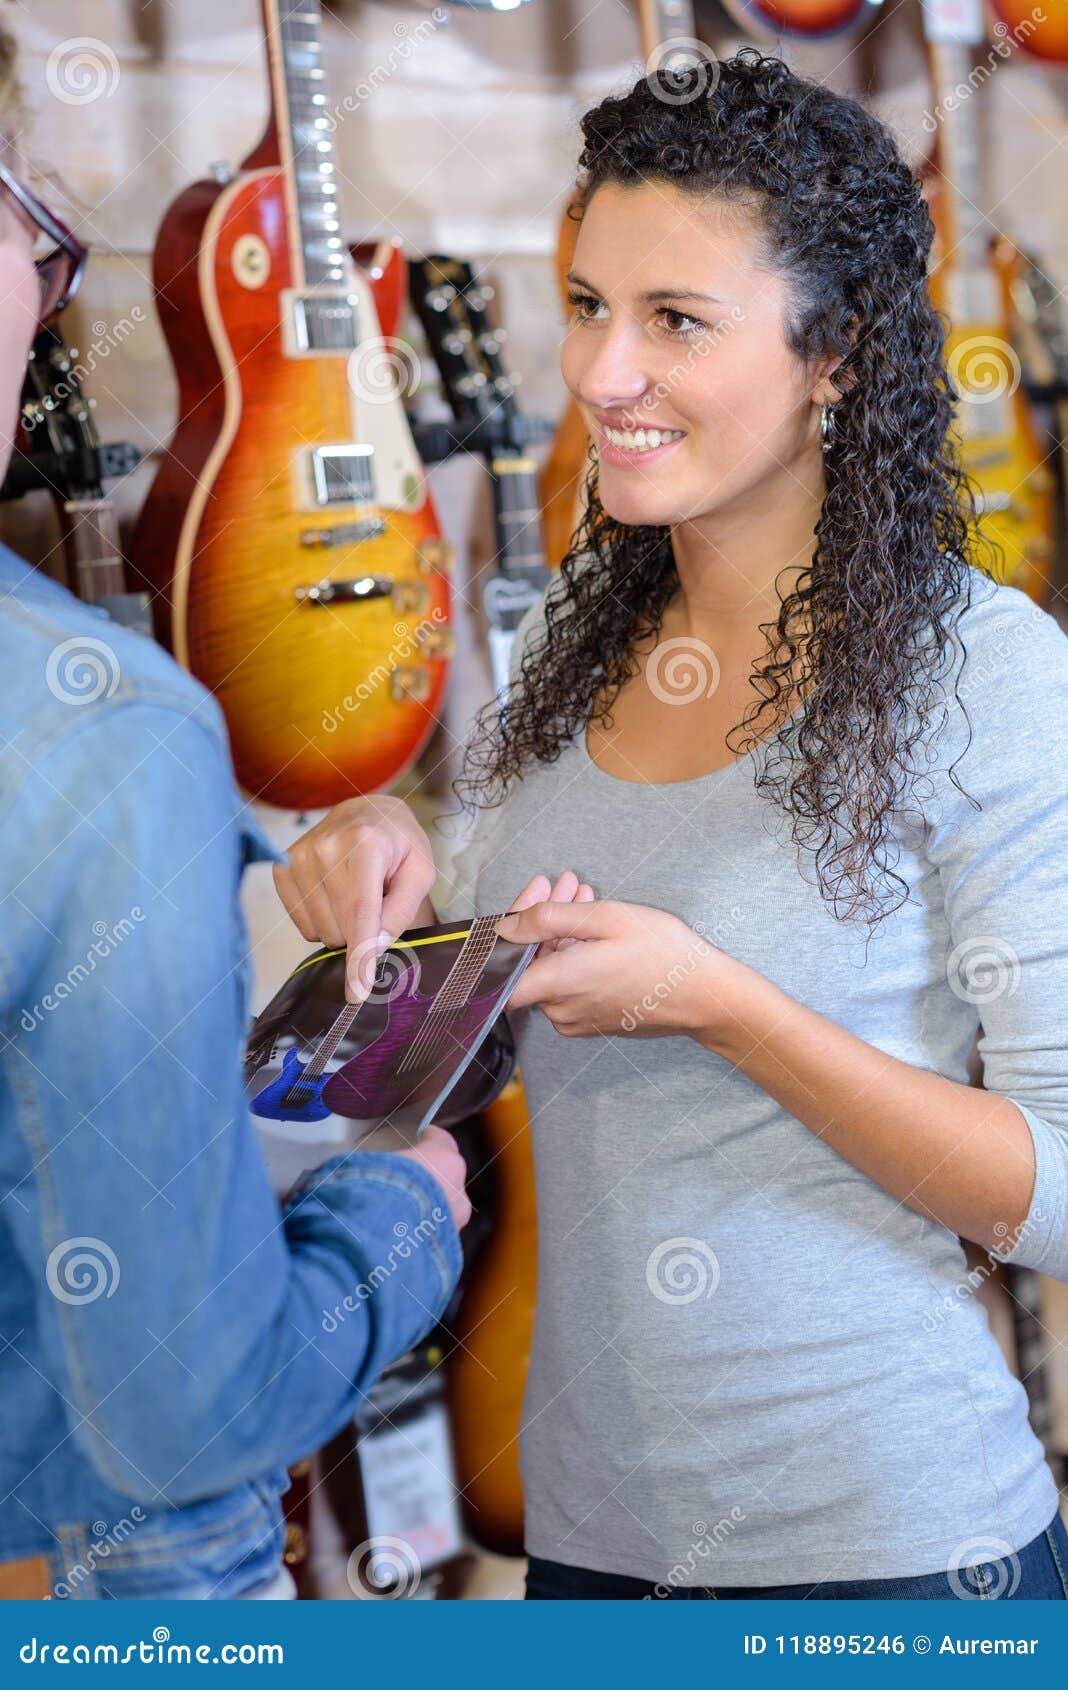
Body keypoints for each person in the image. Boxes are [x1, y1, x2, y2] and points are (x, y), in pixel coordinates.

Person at [281, 51, 1068, 1599]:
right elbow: (513, 987)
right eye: (585, 303)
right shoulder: (578, 626)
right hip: (590, 1544)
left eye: (676, 322)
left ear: (834, 352)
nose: (599, 371)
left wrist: (720, 1006)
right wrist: (390, 855)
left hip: (887, 1557)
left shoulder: (991, 677)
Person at [0, 28, 472, 1601]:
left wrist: (255, 863)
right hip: (101, 1560)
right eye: (44, 234)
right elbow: (183, 1412)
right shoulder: (102, 730)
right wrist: (395, 1225)